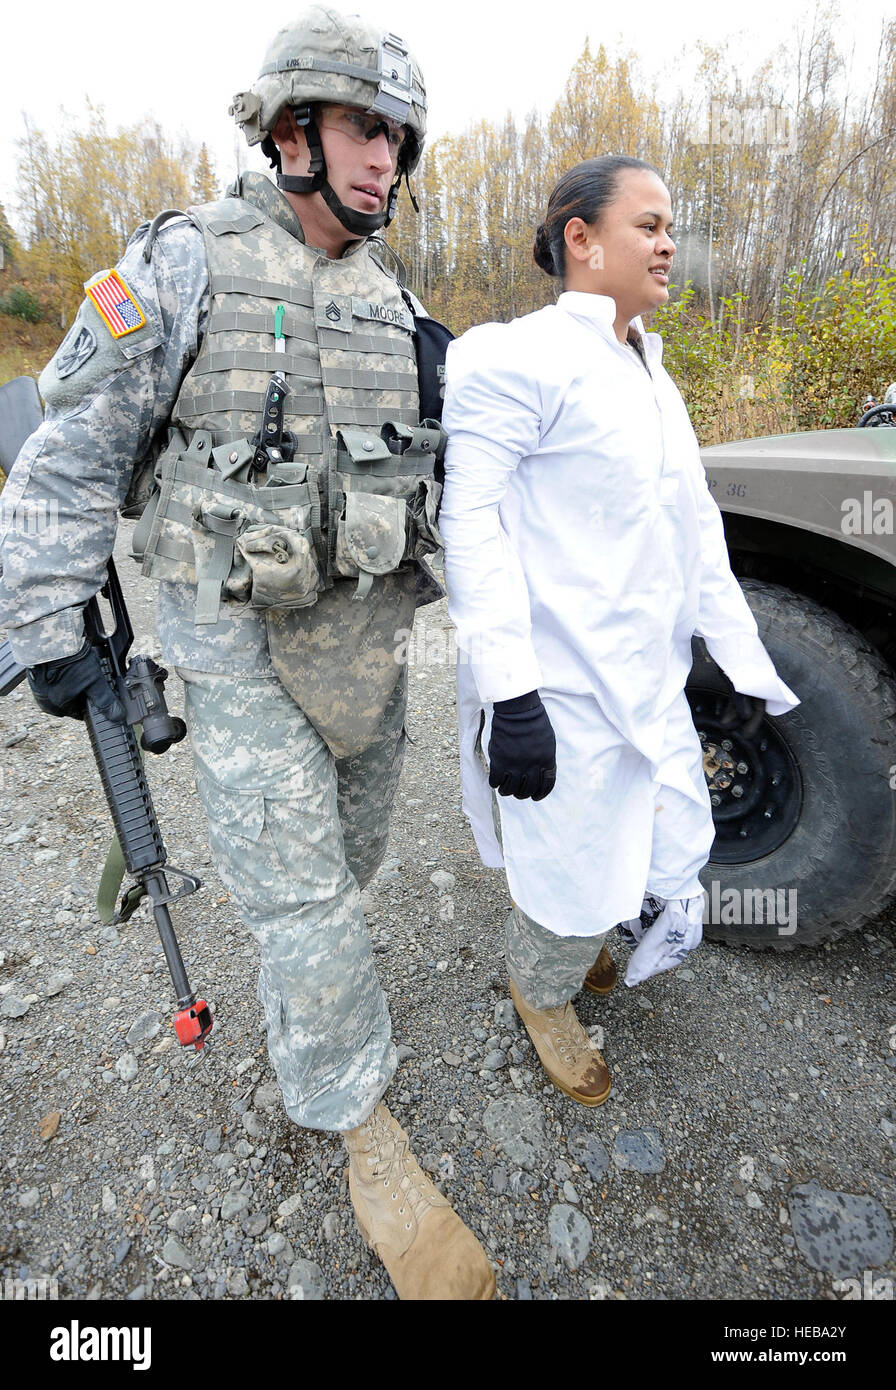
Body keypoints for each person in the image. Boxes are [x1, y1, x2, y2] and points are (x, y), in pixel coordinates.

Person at [0, 6, 494, 1301]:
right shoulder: (182, 264)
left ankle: (309, 1000)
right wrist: (49, 627)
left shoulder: (397, 300)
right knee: (308, 903)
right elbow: (65, 461)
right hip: (233, 639)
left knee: (359, 851)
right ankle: (356, 1119)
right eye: (361, 129)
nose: (385, 159)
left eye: (398, 137)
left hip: (366, 639)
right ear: (288, 132)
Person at [438, 155, 799, 1107]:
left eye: (671, 224)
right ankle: (540, 990)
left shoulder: (648, 370)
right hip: (558, 688)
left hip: (643, 677)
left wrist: (737, 653)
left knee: (636, 840)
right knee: (565, 860)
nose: (669, 242)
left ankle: (576, 946)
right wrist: (511, 697)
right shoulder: (515, 358)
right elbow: (469, 525)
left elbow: (693, 527)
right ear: (581, 238)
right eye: (648, 224)